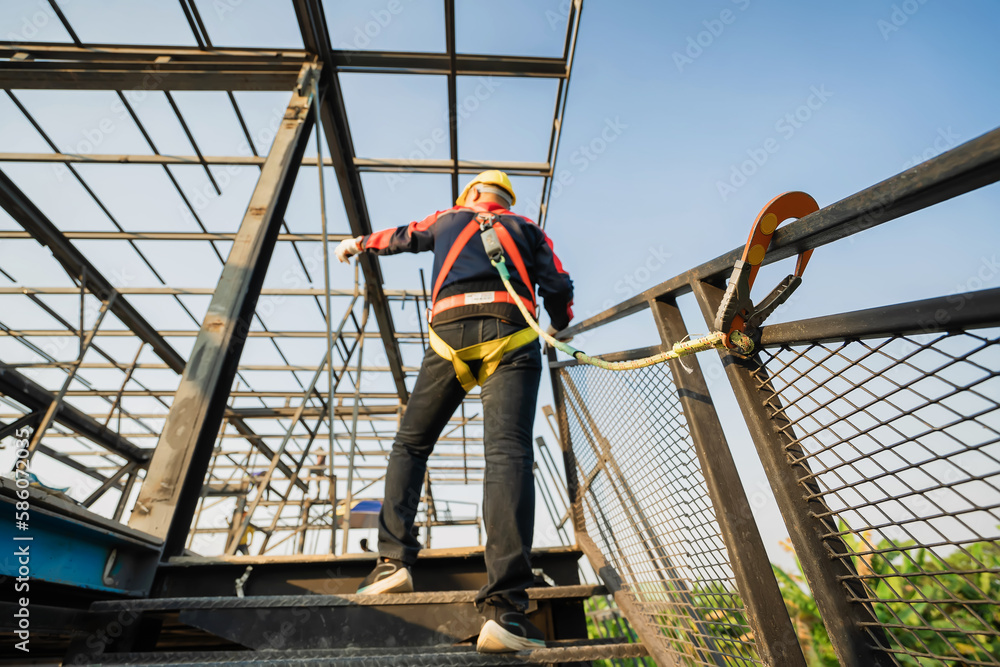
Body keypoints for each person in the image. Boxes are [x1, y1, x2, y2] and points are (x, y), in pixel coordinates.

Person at [335, 171, 573, 653]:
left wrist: (357, 243)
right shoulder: (528, 228)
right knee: (507, 456)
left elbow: (401, 237)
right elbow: (559, 284)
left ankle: (392, 563)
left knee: (412, 444)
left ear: (471, 196)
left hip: (449, 332)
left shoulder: (447, 219)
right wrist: (561, 322)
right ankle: (506, 610)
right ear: (507, 199)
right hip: (514, 331)